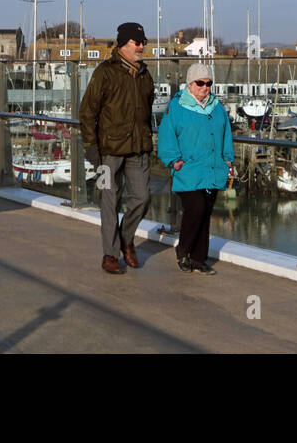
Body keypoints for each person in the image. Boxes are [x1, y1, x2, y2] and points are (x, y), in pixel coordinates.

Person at [80, 21, 155, 275]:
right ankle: (110, 254)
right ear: (123, 44)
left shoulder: (145, 75)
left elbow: (147, 110)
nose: (142, 47)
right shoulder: (104, 72)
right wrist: (91, 146)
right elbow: (87, 111)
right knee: (109, 200)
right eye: (137, 42)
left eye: (144, 42)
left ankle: (126, 239)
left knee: (143, 198)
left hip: (138, 148)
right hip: (108, 151)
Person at [157, 64, 233, 275]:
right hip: (188, 169)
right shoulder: (177, 107)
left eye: (208, 83)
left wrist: (228, 159)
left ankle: (199, 259)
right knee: (196, 209)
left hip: (212, 168)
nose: (204, 87)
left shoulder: (216, 107)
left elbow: (226, 133)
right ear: (190, 84)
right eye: (200, 83)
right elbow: (166, 135)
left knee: (206, 212)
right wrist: (173, 160)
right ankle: (183, 252)